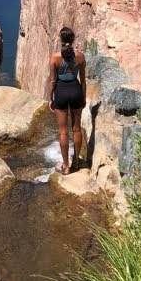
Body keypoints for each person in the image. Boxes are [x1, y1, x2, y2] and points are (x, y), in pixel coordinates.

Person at [48, 26, 87, 174]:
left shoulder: (55, 57)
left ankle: (65, 167)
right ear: (73, 39)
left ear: (60, 39)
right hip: (76, 91)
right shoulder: (80, 56)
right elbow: (83, 80)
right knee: (76, 129)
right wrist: (83, 97)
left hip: (61, 92)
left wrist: (50, 98)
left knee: (63, 132)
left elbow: (52, 81)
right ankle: (76, 162)